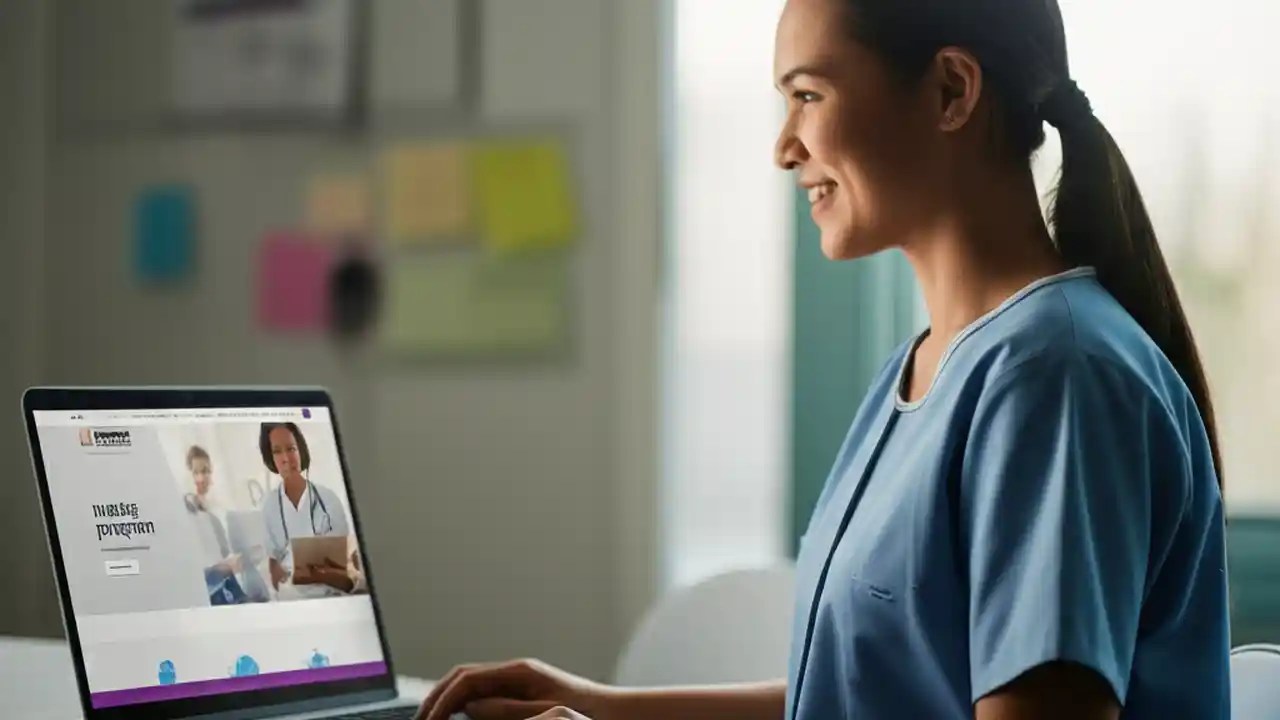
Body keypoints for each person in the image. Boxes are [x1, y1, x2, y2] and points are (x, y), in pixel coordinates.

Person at [415, 0, 1230, 718]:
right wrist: (603, 707)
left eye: (808, 95)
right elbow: (858, 695)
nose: (783, 146)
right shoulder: (925, 371)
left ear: (952, 90)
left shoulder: (1056, 378)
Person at [258, 422, 364, 598]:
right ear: (270, 458)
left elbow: (340, 565)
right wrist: (312, 558)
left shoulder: (328, 499)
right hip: (291, 600)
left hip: (332, 596)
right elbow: (273, 571)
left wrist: (291, 564)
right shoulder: (269, 506)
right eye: (277, 451)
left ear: (301, 450)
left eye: (291, 449)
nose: (286, 458)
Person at [182, 445, 244, 605]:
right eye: (196, 472)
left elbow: (226, 555)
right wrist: (220, 570)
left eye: (206, 471)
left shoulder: (213, 517)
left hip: (228, 592)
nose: (201, 479)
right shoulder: (183, 518)